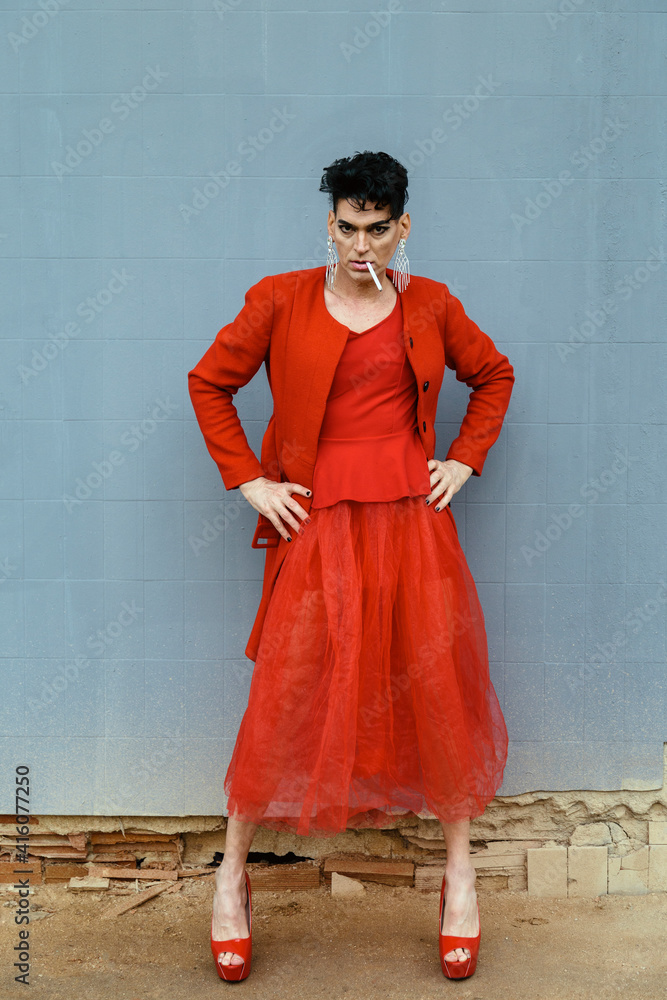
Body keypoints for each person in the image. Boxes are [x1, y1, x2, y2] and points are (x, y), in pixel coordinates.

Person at [188, 150, 515, 982]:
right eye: (346, 227)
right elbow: (209, 383)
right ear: (328, 224)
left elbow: (492, 375)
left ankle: (461, 879)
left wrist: (463, 460)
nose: (359, 244)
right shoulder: (279, 298)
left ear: (403, 227)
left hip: (409, 521)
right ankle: (231, 878)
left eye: (376, 229)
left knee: (432, 685)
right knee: (287, 690)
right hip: (317, 521)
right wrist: (251, 481)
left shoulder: (431, 304)